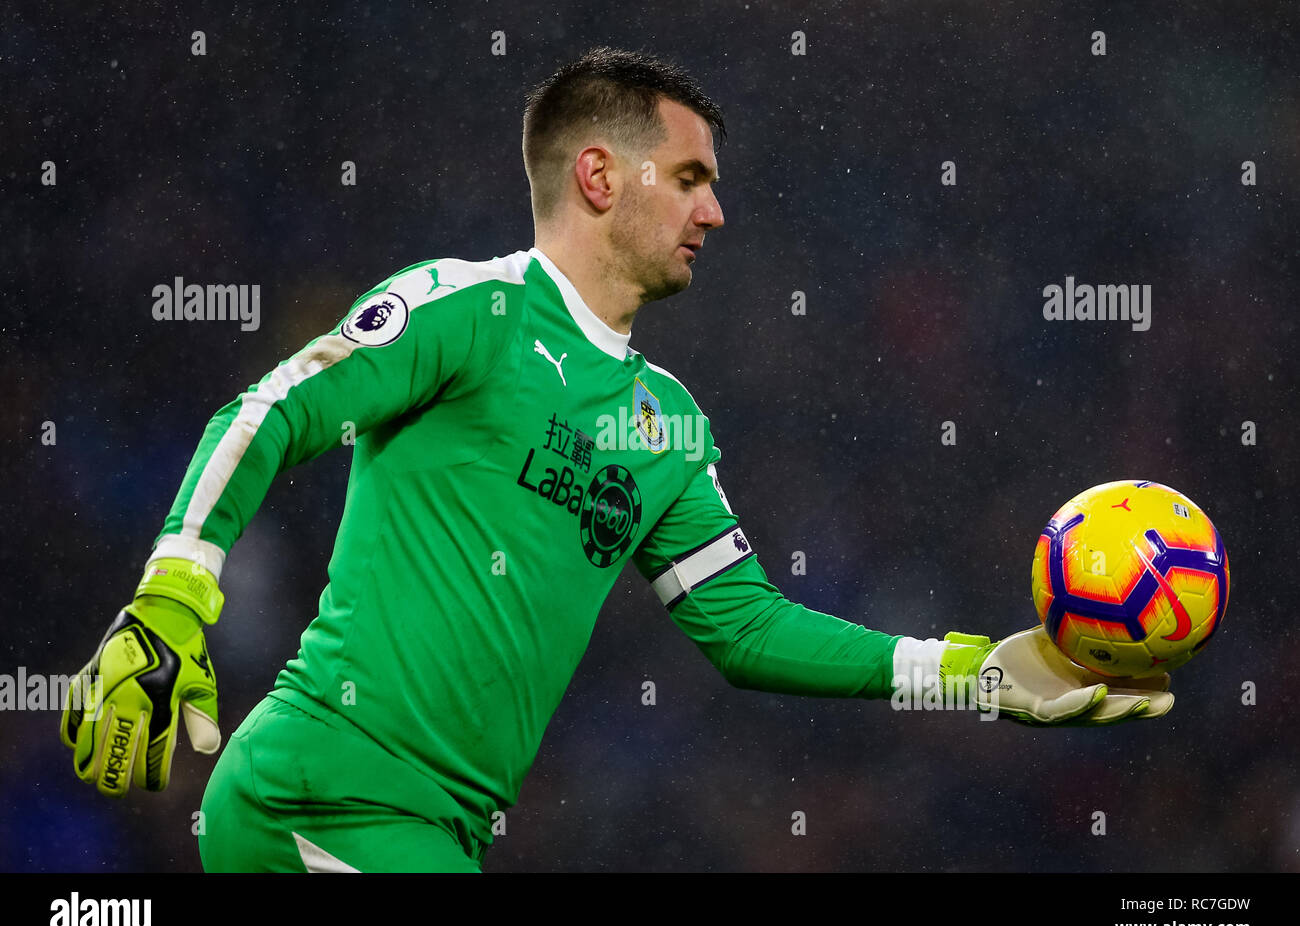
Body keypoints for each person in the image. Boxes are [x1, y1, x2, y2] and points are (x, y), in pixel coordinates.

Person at [60, 46, 1174, 873]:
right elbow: (270, 410)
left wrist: (972, 672)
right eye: (689, 177)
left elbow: (744, 626)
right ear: (599, 175)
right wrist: (170, 596)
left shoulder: (667, 422)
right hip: (324, 789)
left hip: (432, 826)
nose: (716, 210)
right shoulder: (469, 309)